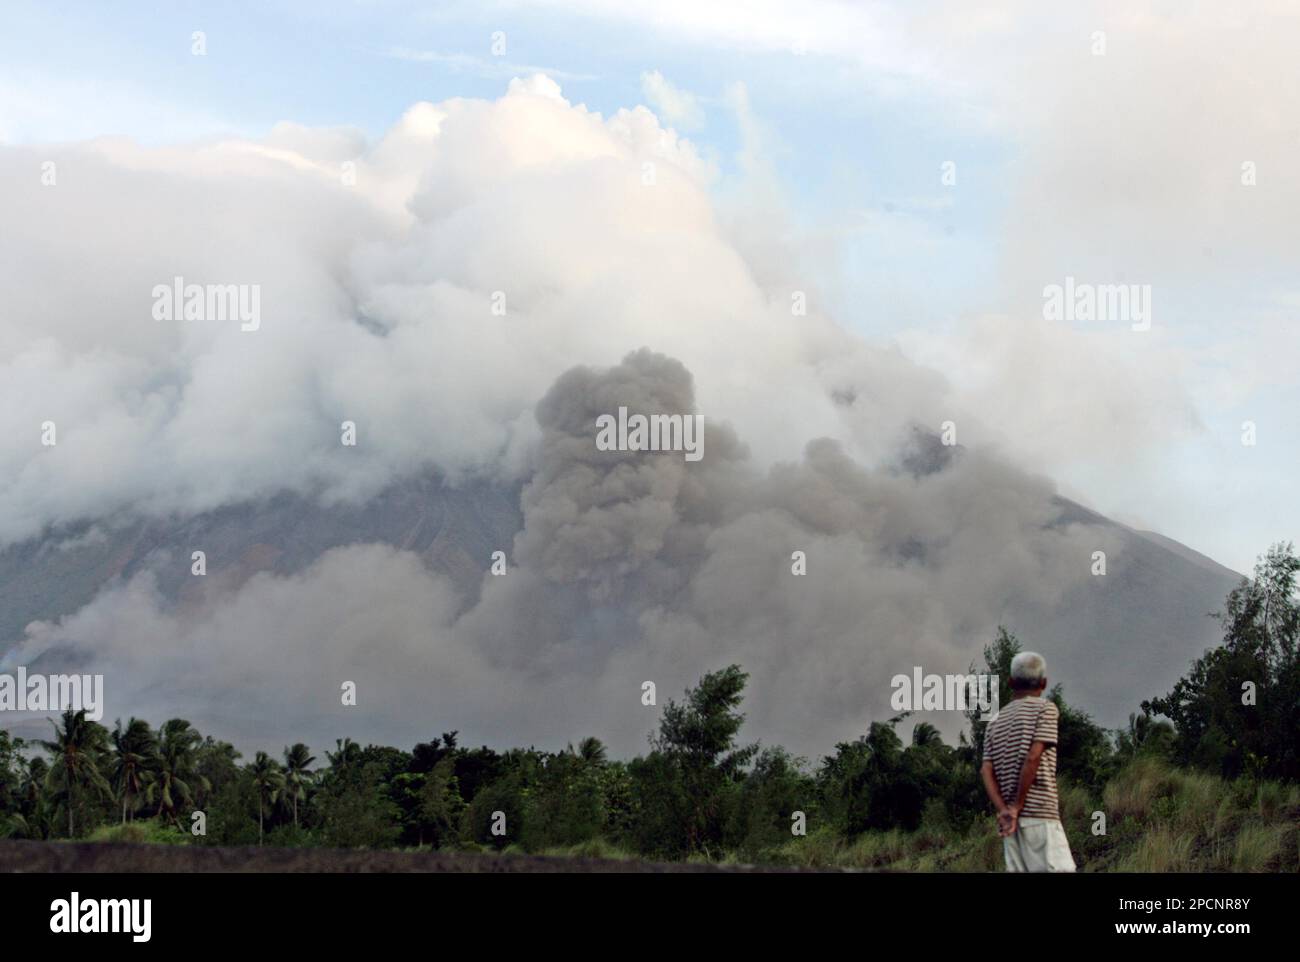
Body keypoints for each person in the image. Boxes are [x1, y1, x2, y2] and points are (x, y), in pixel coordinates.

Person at [980, 651, 1076, 872]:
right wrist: (1016, 806)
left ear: (1011, 682)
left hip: (1010, 826)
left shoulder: (995, 721)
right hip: (1040, 814)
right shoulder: (1046, 709)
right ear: (1043, 683)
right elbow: (1033, 757)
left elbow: (986, 770)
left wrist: (1004, 811)